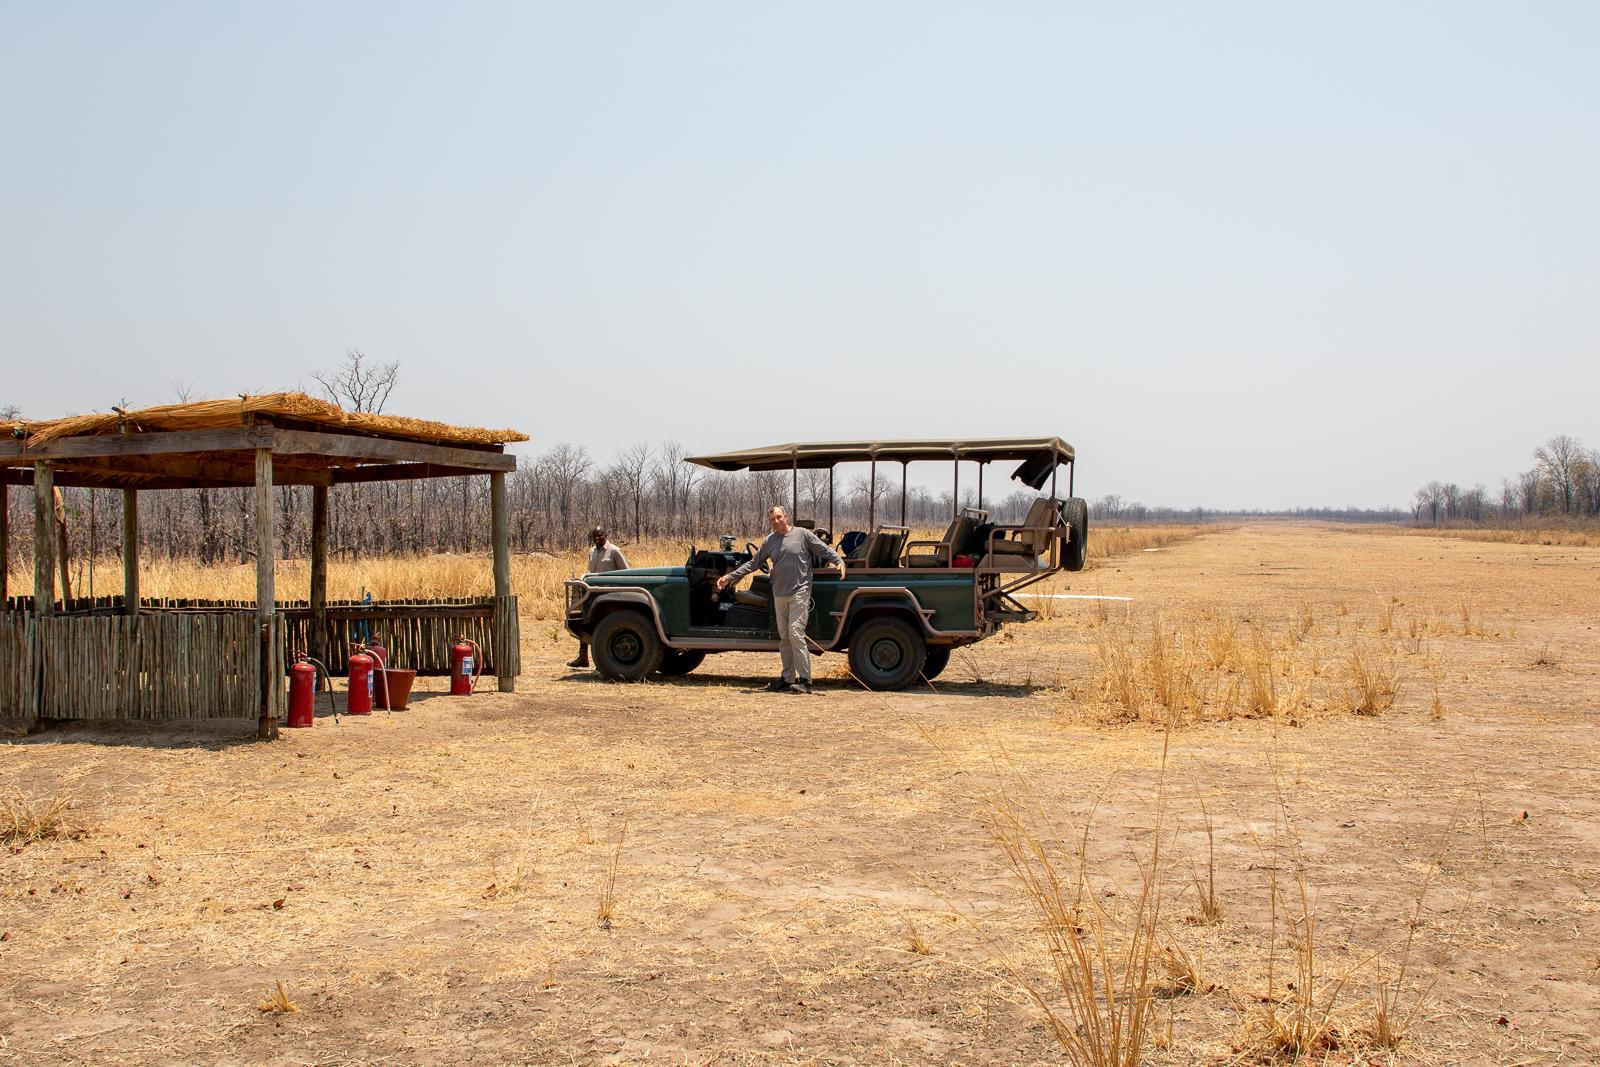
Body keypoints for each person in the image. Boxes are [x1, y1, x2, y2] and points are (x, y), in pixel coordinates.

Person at [716, 505, 845, 694]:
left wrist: (839, 561)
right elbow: (754, 563)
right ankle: (787, 678)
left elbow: (823, 549)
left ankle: (806, 680)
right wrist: (729, 577)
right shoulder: (770, 540)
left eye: (779, 517)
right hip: (779, 593)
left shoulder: (802, 534)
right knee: (784, 636)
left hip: (800, 591)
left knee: (795, 632)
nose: (776, 521)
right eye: (772, 519)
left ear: (786, 516)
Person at [568, 527, 630, 668]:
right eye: (594, 536)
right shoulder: (592, 551)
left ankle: (603, 660)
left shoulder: (614, 551)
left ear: (606, 535)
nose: (597, 538)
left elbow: (627, 573)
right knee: (585, 623)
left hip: (609, 596)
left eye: (600, 535)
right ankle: (583, 657)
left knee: (604, 628)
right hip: (592, 595)